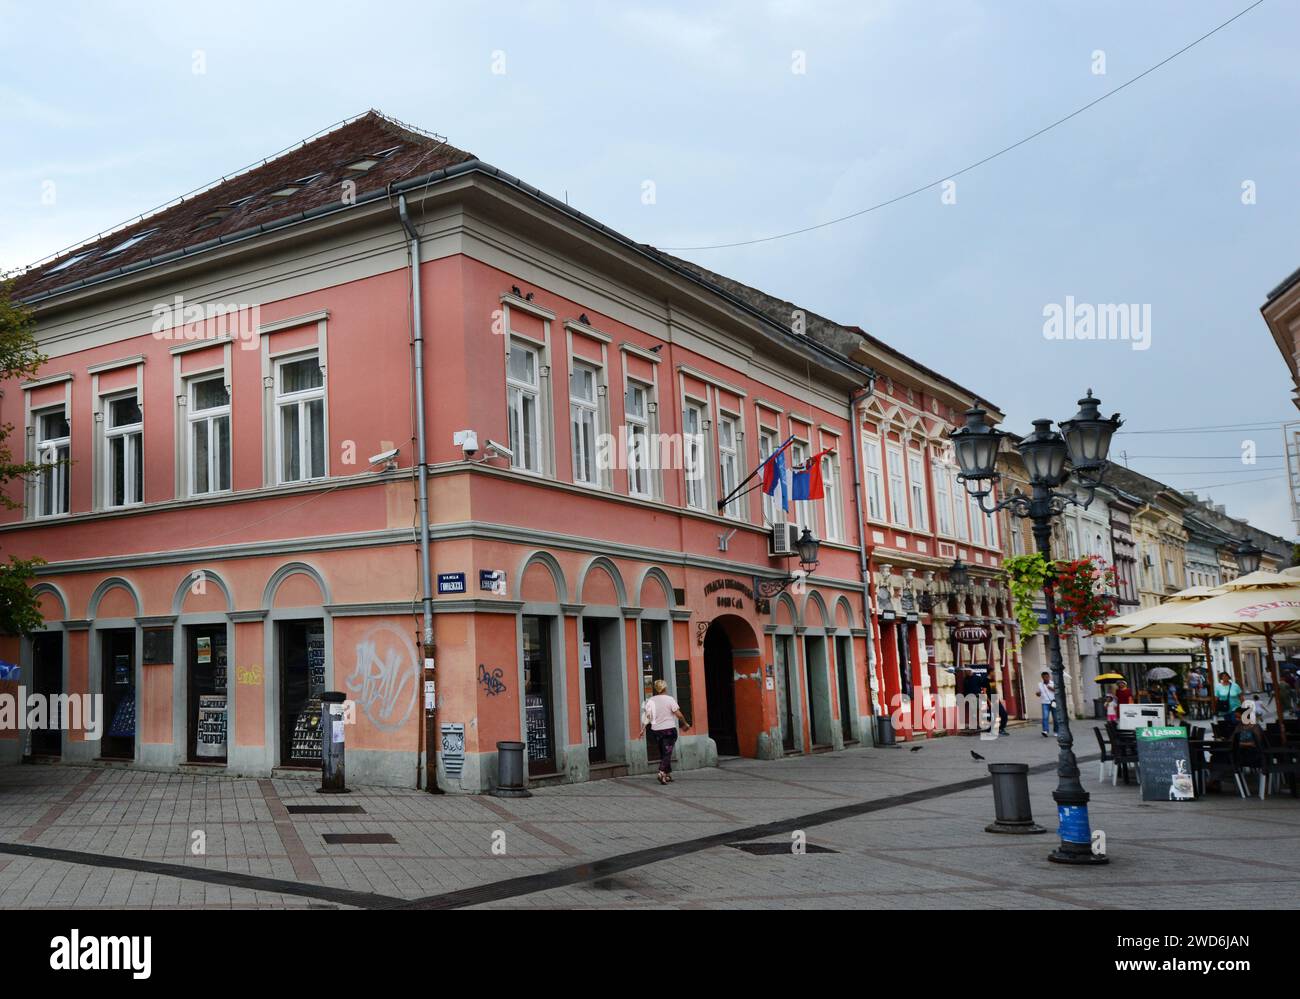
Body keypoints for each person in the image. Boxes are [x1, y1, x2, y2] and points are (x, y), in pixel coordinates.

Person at [640, 679, 690, 784]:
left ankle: (667, 774)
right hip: (669, 730)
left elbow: (647, 716)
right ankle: (661, 772)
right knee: (667, 752)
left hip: (656, 731)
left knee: (664, 752)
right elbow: (679, 714)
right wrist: (685, 723)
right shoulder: (669, 699)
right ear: (665, 688)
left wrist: (643, 728)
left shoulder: (651, 700)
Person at [1035, 671, 1057, 738]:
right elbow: (1038, 693)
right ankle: (1045, 731)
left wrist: (1051, 688)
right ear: (1042, 677)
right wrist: (1038, 694)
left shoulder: (1053, 683)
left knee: (1055, 718)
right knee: (1045, 717)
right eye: (1044, 677)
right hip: (1045, 702)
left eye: (1047, 677)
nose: (1046, 678)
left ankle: (1056, 731)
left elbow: (1058, 691)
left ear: (1049, 677)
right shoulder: (1040, 684)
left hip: (1054, 702)